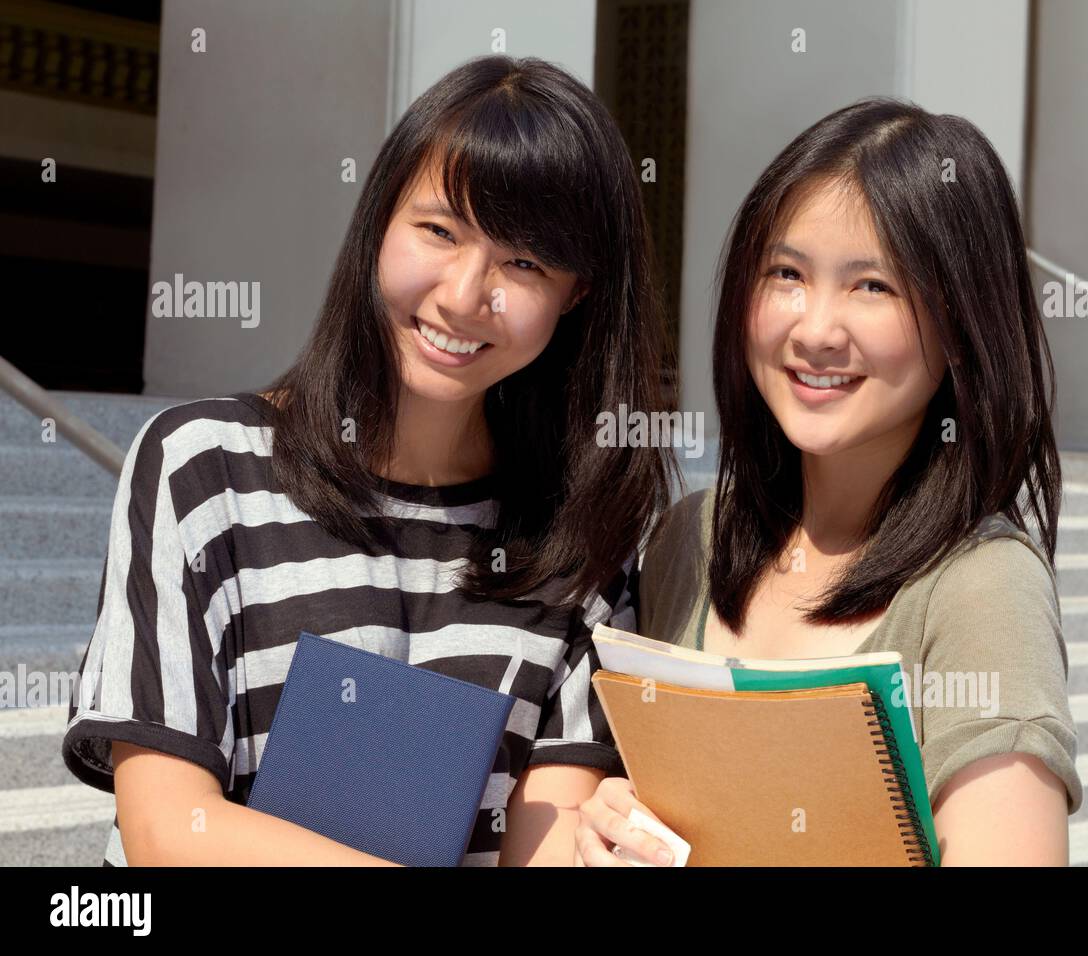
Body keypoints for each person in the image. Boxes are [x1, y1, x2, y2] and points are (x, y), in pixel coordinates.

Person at [62, 55, 676, 866]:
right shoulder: (203, 467)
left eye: (524, 263)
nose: (463, 294)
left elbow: (541, 839)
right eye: (440, 231)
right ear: (379, 221)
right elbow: (168, 831)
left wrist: (606, 840)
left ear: (578, 293)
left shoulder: (580, 539)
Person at [575, 98, 1082, 866]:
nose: (814, 329)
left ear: (963, 321)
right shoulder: (690, 539)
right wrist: (610, 828)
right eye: (786, 274)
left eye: (872, 286)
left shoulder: (982, 589)